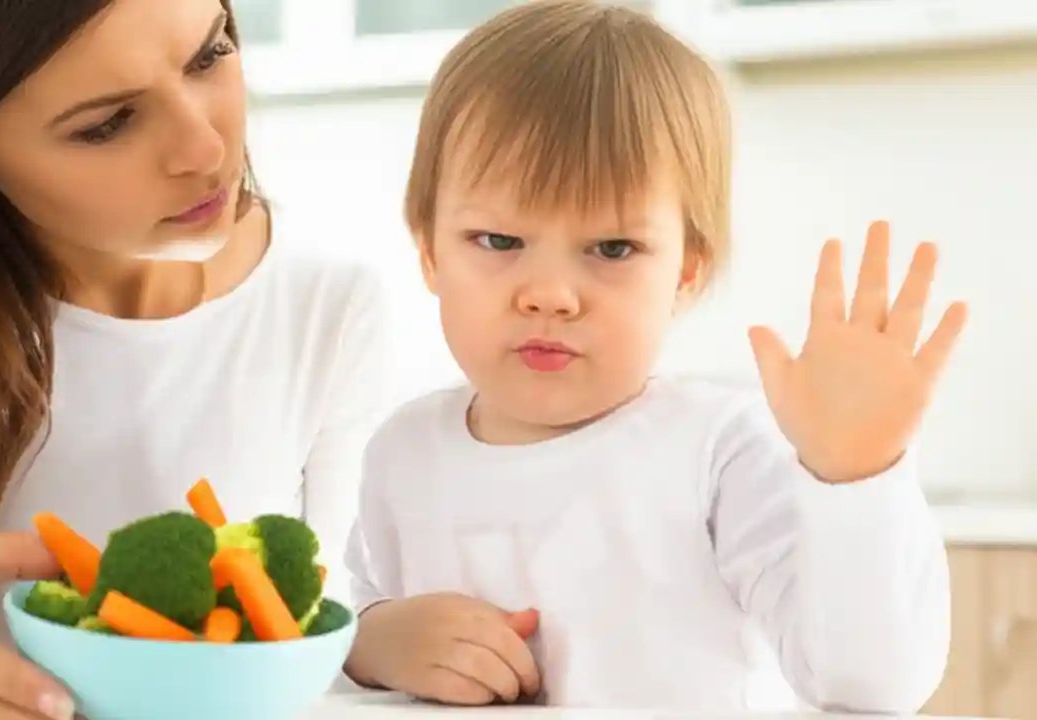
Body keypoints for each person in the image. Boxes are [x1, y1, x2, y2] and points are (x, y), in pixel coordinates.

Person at [0, 0, 393, 717]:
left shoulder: (328, 307)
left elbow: (341, 627)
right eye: (107, 124)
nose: (205, 149)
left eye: (209, 55)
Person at [342, 0, 966, 712]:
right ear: (428, 252)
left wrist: (857, 476)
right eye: (498, 241)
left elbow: (871, 685)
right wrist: (370, 643)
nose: (549, 295)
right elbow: (344, 651)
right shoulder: (402, 453)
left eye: (612, 249)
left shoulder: (718, 449)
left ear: (686, 272)